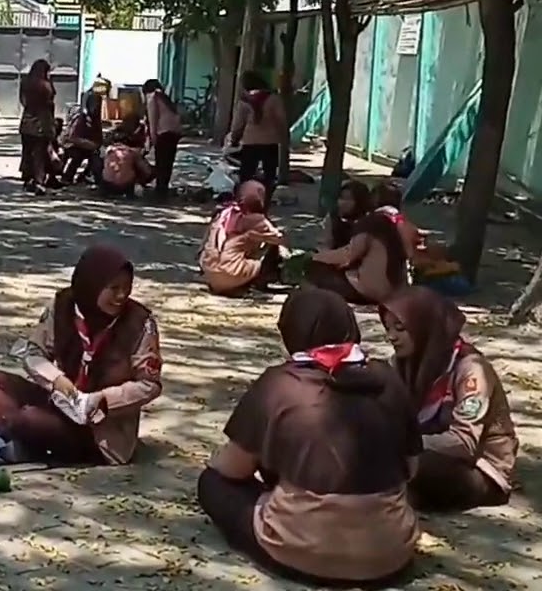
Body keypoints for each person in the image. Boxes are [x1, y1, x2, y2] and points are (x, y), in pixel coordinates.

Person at [198, 288, 420, 588]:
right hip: (391, 555)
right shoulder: (390, 379)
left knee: (212, 484)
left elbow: (231, 469)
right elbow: (412, 469)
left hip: (303, 552)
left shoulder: (279, 384)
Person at [0, 245, 162, 465]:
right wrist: (56, 378)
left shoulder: (140, 323)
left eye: (127, 288)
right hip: (62, 401)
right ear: (92, 286)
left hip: (100, 428)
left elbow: (150, 384)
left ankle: (13, 436)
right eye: (114, 288)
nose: (121, 296)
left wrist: (102, 400)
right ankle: (15, 435)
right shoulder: (63, 306)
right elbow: (34, 351)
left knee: (27, 419)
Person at [381, 286, 516, 512]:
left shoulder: (471, 371)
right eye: (388, 327)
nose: (391, 336)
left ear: (423, 328)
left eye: (400, 328)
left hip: (478, 468)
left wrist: (407, 443)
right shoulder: (402, 365)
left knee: (407, 465)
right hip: (424, 452)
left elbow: (465, 442)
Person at [306, 205, 408, 305]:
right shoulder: (401, 224)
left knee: (316, 268)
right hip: (397, 291)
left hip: (373, 292)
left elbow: (348, 255)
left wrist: (315, 257)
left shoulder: (373, 223)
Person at [199, 180, 284, 296]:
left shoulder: (223, 214)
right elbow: (279, 238)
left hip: (210, 271)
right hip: (231, 272)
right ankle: (260, 282)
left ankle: (223, 282)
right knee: (272, 245)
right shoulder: (256, 220)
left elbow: (203, 244)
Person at [228, 71, 287, 203]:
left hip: (250, 142)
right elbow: (281, 120)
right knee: (269, 176)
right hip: (270, 142)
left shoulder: (245, 101)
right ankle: (264, 202)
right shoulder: (274, 98)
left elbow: (238, 124)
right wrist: (283, 137)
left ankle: (244, 201)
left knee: (246, 175)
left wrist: (234, 139)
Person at [18, 60, 55, 195]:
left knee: (27, 152)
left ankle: (28, 179)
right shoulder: (46, 86)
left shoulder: (26, 83)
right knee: (39, 155)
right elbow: (50, 104)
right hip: (41, 123)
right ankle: (39, 181)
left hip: (27, 122)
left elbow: (22, 101)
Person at [143, 79, 182, 200]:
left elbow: (153, 120)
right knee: (168, 164)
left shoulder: (152, 98)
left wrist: (153, 139)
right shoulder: (165, 98)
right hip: (174, 133)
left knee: (161, 163)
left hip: (163, 133)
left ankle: (159, 192)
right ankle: (163, 189)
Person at [61, 84, 105, 185]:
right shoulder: (81, 120)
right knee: (78, 154)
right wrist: (87, 144)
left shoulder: (95, 121)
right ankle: (68, 176)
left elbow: (98, 139)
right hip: (77, 146)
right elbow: (72, 138)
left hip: (90, 146)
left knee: (96, 156)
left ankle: (89, 176)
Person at [100, 120, 154, 198]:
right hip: (124, 187)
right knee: (137, 166)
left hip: (107, 185)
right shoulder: (131, 153)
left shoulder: (108, 150)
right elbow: (147, 172)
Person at [319, 180, 374, 250]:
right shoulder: (333, 218)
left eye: (348, 199)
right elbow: (325, 243)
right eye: (342, 198)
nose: (343, 202)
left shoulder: (369, 221)